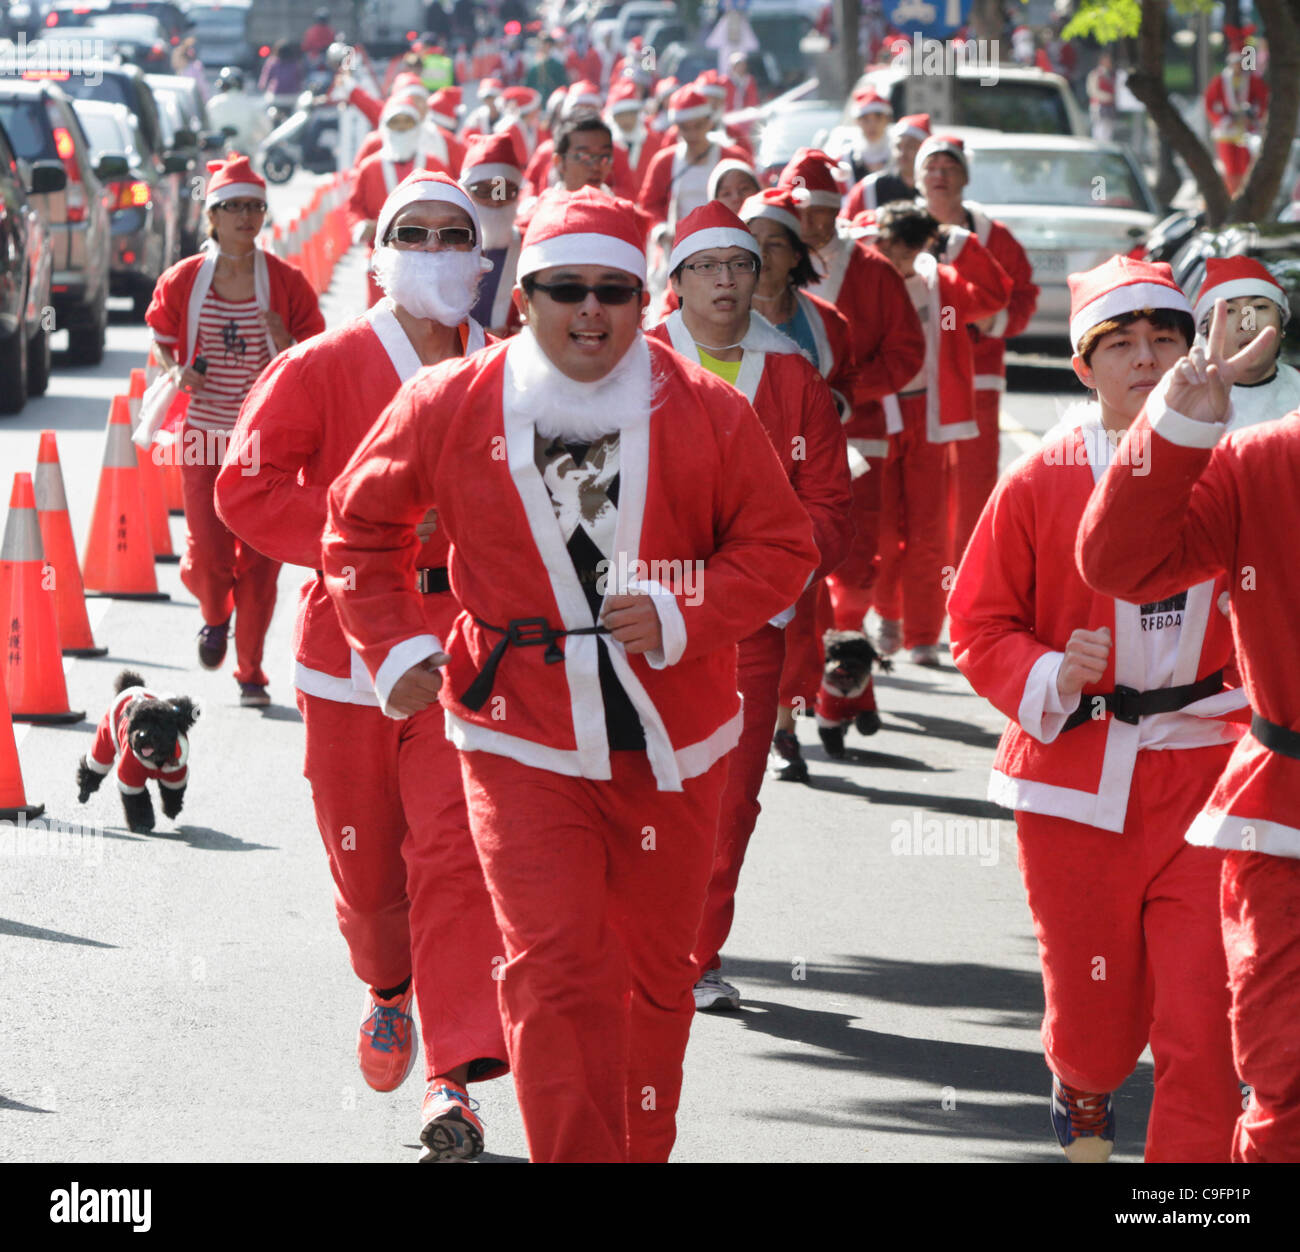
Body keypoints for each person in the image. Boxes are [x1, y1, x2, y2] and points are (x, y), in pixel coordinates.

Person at [321, 186, 820, 1162]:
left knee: (652, 979)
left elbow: (780, 546)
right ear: (524, 299)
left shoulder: (705, 409)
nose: (590, 312)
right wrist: (396, 647)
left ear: (643, 301)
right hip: (517, 729)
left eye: (614, 291)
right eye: (565, 289)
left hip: (673, 739)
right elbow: (356, 526)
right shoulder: (448, 402)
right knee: (552, 969)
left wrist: (685, 608)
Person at [215, 170, 509, 1162]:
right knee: (368, 875)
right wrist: (358, 533)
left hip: (471, 651)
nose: (434, 249)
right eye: (413, 233)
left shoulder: (511, 369)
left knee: (454, 862)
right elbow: (245, 489)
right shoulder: (325, 363)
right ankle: (389, 991)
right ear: (382, 250)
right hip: (348, 651)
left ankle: (452, 1080)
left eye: (453, 234)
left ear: (481, 255)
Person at [950, 256, 1247, 1163]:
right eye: (1122, 344)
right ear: (1084, 368)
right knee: (1095, 1017)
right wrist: (1052, 673)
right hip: (1077, 785)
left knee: (1205, 1021)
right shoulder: (1042, 476)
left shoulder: (1235, 470)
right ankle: (1081, 1087)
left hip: (1208, 773)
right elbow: (976, 622)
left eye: (1166, 338)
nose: (1148, 359)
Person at [1076, 298, 1299, 1164]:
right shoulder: (1264, 460)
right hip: (1284, 822)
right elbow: (1118, 565)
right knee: (1283, 1085)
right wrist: (1175, 430)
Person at [647, 201, 852, 1009]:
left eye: (741, 265)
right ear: (677, 280)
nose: (727, 281)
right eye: (707, 267)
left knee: (730, 796)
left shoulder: (795, 377)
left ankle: (695, 955)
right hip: (633, 619)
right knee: (636, 782)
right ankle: (636, 939)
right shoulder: (634, 356)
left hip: (748, 625)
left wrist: (763, 579)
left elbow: (829, 507)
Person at [145, 156, 324, 707]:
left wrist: (285, 338)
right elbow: (160, 334)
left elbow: (317, 357)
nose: (246, 216)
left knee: (261, 565)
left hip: (265, 446)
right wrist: (178, 369)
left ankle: (250, 672)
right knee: (207, 556)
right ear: (212, 216)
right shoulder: (184, 280)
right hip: (203, 439)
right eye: (234, 207)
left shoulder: (287, 283)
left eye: (254, 206)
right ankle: (214, 616)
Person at [776, 150, 924, 738]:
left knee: (857, 563)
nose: (811, 221)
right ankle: (818, 688)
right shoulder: (765, 265)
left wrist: (845, 392)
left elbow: (908, 352)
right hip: (783, 440)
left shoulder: (872, 269)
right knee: (795, 569)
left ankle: (843, 667)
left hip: (861, 435)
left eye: (820, 210)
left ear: (837, 210)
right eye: (800, 210)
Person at [739, 186, 860, 779]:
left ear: (795, 253)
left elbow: (851, 383)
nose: (760, 255)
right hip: (730, 493)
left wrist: (831, 403)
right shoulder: (703, 314)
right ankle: (734, 722)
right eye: (749, 244)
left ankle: (785, 722)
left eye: (773, 244)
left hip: (803, 487)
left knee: (801, 614)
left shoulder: (826, 322)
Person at [865, 201, 1010, 667]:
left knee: (928, 533)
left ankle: (923, 633)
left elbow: (994, 294)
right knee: (883, 531)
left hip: (928, 419)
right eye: (895, 247)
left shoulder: (938, 282)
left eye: (913, 248)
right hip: (877, 418)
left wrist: (963, 243)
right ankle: (888, 612)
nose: (902, 258)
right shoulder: (864, 278)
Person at [913, 134, 1039, 568]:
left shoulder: (991, 236)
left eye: (949, 169)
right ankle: (921, 589)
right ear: (918, 177)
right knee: (921, 488)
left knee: (972, 483)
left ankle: (968, 581)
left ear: (965, 177)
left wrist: (993, 323)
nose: (940, 177)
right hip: (914, 381)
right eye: (931, 168)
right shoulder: (900, 229)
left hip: (975, 376)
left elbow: (1023, 295)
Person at [349, 100, 454, 307]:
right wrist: (360, 226)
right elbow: (354, 206)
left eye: (407, 123)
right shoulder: (368, 167)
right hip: (380, 261)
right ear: (385, 128)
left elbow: (452, 208)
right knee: (382, 325)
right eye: (395, 123)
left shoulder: (435, 165)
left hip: (428, 260)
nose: (402, 129)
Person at [1190, 257, 1300, 429]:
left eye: (1260, 307)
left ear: (1282, 327)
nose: (1246, 324)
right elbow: (1142, 454)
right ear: (1207, 334)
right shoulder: (1182, 400)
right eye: (1229, 311)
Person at [637, 85, 749, 230]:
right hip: (679, 242)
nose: (692, 134)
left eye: (698, 125)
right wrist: (661, 230)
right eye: (685, 128)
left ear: (710, 122)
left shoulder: (734, 157)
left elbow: (751, 199)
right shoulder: (664, 161)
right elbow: (649, 204)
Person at [460, 131, 524, 335]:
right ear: (466, 192)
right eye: (484, 191)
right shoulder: (444, 243)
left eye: (505, 191)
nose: (496, 201)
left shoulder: (532, 245)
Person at [1203, 41, 1268, 198]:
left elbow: (1264, 100)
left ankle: (1246, 196)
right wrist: (1222, 119)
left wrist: (1253, 117)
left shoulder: (1253, 81)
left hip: (1247, 130)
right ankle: (1232, 196)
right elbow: (1209, 103)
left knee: (1247, 166)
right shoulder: (1221, 80)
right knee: (1230, 168)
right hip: (1227, 130)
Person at [843, 114, 927, 217]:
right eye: (898, 146)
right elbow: (846, 223)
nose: (902, 153)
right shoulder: (869, 188)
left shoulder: (938, 189)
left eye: (911, 146)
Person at [205, 67, 270, 157]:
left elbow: (205, 127)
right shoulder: (250, 104)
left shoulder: (213, 103)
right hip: (245, 153)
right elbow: (266, 129)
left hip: (219, 153)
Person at [840, 86, 893, 183]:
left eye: (878, 118)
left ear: (887, 120)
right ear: (857, 122)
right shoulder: (846, 159)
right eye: (865, 119)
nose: (872, 125)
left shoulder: (899, 155)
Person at [1086, 51, 1117, 144]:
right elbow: (1092, 91)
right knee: (1098, 131)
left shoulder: (1113, 75)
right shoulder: (1095, 74)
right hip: (1099, 106)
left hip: (1110, 107)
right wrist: (1107, 97)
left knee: (1108, 132)